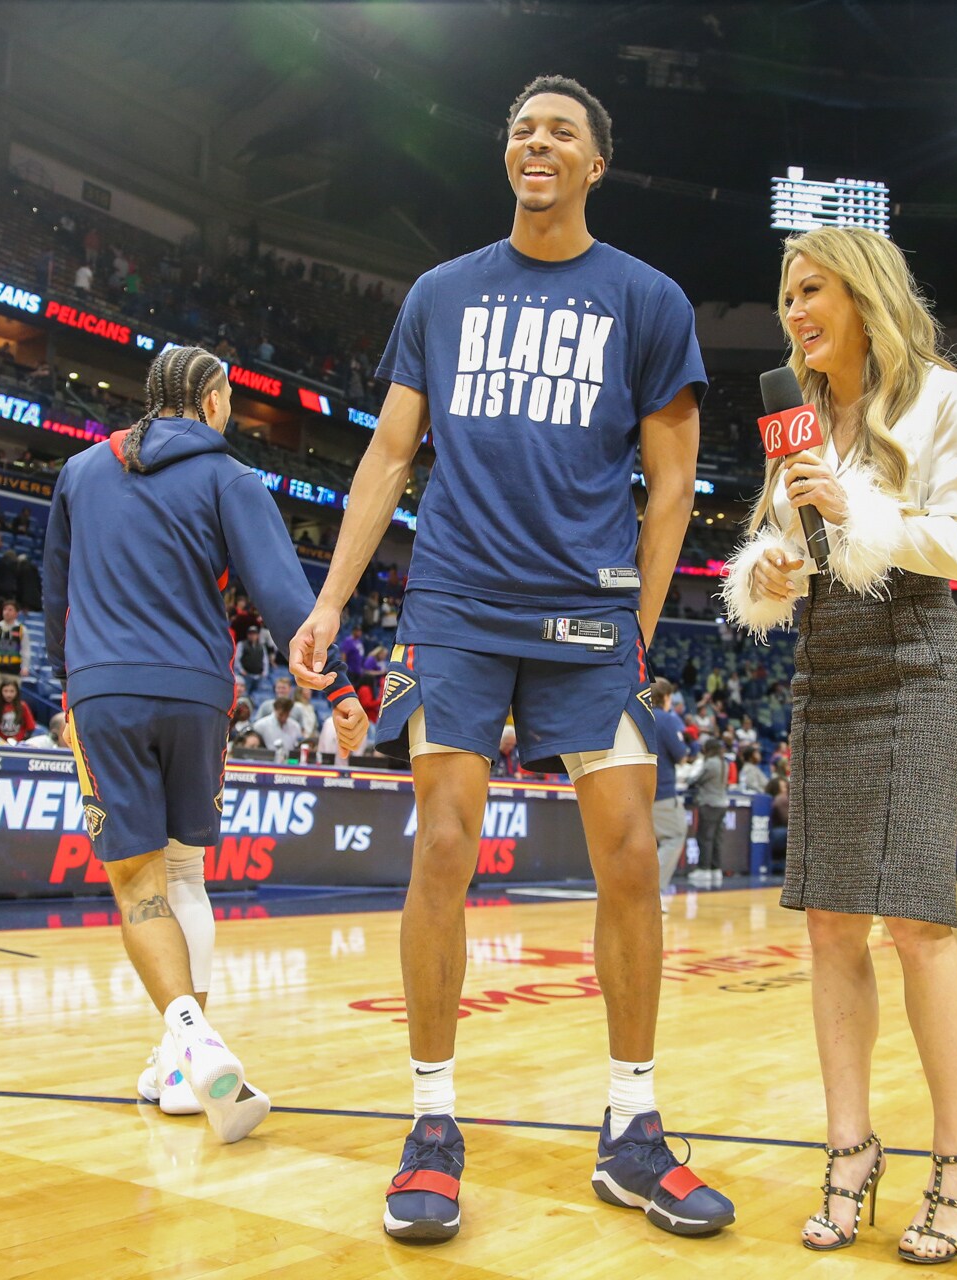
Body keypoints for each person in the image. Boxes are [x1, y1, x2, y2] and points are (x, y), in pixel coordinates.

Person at [290, 76, 731, 1245]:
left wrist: (637, 623)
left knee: (630, 857)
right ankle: (432, 1122)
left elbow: (675, 484)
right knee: (442, 845)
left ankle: (632, 1128)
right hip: (458, 604)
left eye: (562, 132)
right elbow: (389, 457)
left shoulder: (647, 298)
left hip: (589, 618)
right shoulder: (440, 293)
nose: (537, 142)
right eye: (522, 130)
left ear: (598, 164)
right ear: (509, 157)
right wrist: (332, 598)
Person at [719, 224, 957, 1260]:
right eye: (787, 295)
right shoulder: (797, 420)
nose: (794, 312)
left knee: (918, 919)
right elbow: (781, 542)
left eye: (811, 290)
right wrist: (767, 574)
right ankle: (849, 1152)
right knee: (831, 925)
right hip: (826, 665)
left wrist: (857, 506)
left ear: (862, 293)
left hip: (921, 659)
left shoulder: (938, 396)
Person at [45, 343, 365, 1147]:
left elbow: (53, 598)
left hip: (105, 689)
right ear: (214, 399)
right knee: (186, 872)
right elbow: (287, 598)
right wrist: (343, 691)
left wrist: (74, 683)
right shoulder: (231, 478)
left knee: (139, 886)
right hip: (194, 692)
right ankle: (181, 1067)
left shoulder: (81, 473)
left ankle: (188, 1039)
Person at [648, 678, 692, 900]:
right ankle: (652, 894)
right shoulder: (667, 720)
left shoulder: (636, 714)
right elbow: (681, 755)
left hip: (634, 792)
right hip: (661, 791)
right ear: (666, 697)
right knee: (674, 836)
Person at [689, 737, 731, 886]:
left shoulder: (710, 763)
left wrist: (689, 780)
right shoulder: (724, 762)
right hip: (722, 803)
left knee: (705, 838)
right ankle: (715, 870)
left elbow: (697, 780)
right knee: (717, 839)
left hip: (709, 803)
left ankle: (703, 870)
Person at [258, 674, 316, 741]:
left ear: (290, 689)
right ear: (275, 689)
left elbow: (301, 730)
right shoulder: (266, 705)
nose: (281, 690)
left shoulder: (297, 709)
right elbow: (258, 723)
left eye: (283, 688)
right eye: (278, 688)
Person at [0, 600, 25, 680]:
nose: (6, 612)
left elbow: (26, 650)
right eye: (5, 609)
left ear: (16, 613)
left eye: (10, 610)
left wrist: (25, 667)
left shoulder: (21, 629)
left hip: (14, 670)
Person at [0, 679, 34, 744]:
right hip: (0, 743)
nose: (8, 694)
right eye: (5, 691)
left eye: (12, 691)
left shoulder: (23, 706)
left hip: (19, 744)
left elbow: (30, 727)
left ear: (17, 692)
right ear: (1, 692)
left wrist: (19, 739)